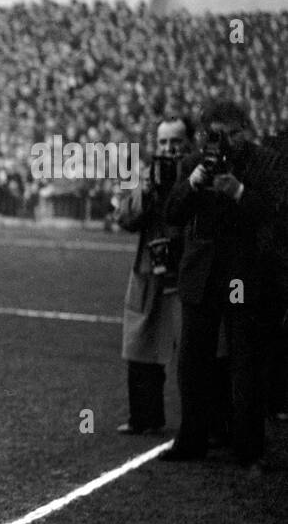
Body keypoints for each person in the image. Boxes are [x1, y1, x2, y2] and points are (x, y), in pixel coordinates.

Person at [162, 101, 287, 468]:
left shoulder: (264, 161)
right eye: (217, 134)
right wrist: (193, 183)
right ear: (205, 135)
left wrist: (238, 192)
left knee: (244, 359)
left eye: (233, 134)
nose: (226, 142)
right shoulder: (193, 164)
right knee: (192, 361)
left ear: (245, 130)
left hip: (243, 271)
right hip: (201, 272)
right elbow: (172, 212)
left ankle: (247, 444)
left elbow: (275, 212)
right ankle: (192, 439)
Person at [115, 117, 190, 436]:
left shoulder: (197, 173)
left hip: (187, 272)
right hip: (150, 269)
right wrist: (144, 191)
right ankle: (144, 417)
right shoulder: (145, 174)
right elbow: (125, 218)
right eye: (162, 142)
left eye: (175, 141)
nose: (168, 148)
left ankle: (211, 423)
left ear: (189, 143)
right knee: (141, 344)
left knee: (198, 349)